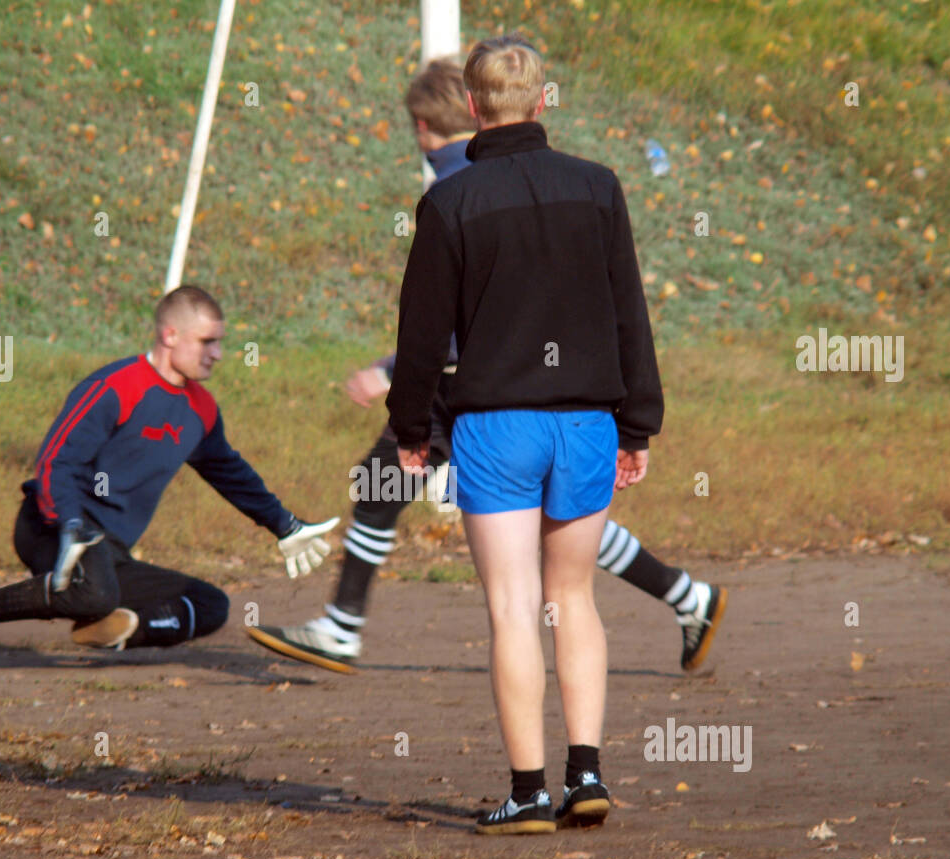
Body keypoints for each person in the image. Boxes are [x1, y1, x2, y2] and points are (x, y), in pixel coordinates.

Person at [246, 56, 725, 680]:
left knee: (399, 490)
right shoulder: (576, 183)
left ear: (430, 122)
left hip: (473, 389)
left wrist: (394, 376)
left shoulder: (456, 185)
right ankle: (686, 600)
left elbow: (448, 314)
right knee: (546, 521)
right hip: (539, 394)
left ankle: (343, 629)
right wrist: (639, 421)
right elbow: (621, 309)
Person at [387, 35, 677, 834]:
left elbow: (422, 333)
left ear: (473, 108)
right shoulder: (598, 187)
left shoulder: (451, 202)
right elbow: (630, 314)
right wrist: (638, 422)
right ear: (544, 100)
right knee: (573, 598)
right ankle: (586, 774)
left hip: (495, 426)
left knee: (514, 609)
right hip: (586, 422)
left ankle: (527, 792)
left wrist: (412, 427)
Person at [0, 285, 338, 674]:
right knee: (94, 591)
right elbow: (57, 461)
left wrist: (284, 525)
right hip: (48, 525)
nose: (218, 353)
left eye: (220, 342)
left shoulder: (200, 410)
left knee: (210, 605)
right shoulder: (115, 386)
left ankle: (119, 627)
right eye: (208, 341)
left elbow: (229, 473)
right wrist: (70, 524)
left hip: (109, 554)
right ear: (171, 335)